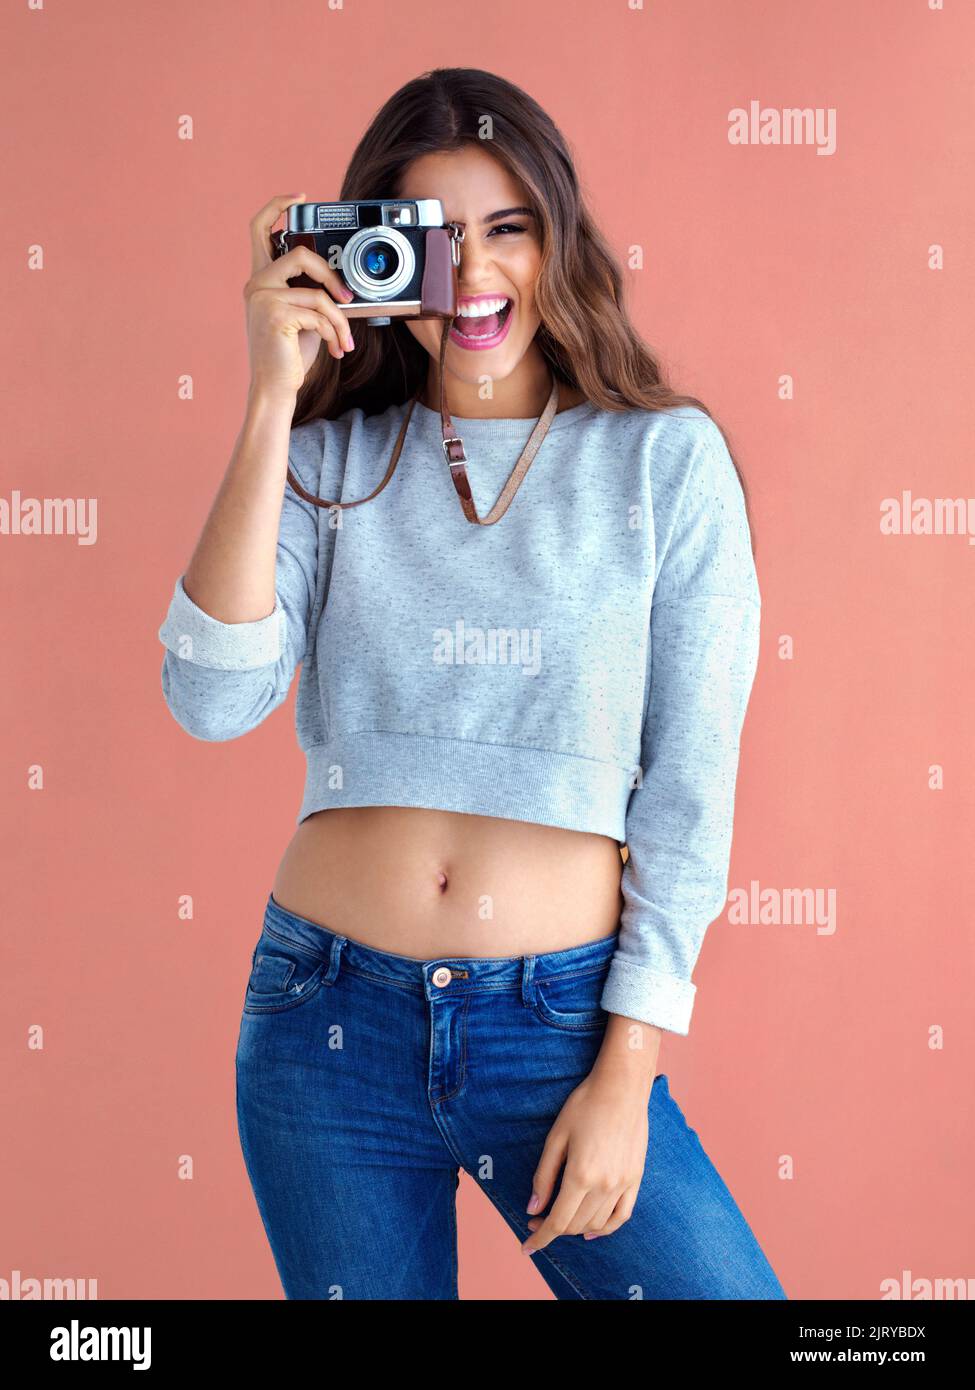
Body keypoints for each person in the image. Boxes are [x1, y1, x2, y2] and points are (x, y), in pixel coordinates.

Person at [157, 67, 786, 1301]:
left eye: (509, 228)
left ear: (562, 237)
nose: (477, 275)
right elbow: (211, 697)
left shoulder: (664, 463)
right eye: (431, 239)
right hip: (321, 1020)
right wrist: (272, 397)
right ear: (368, 255)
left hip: (553, 1026)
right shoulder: (328, 462)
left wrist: (627, 1065)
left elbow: (691, 788)